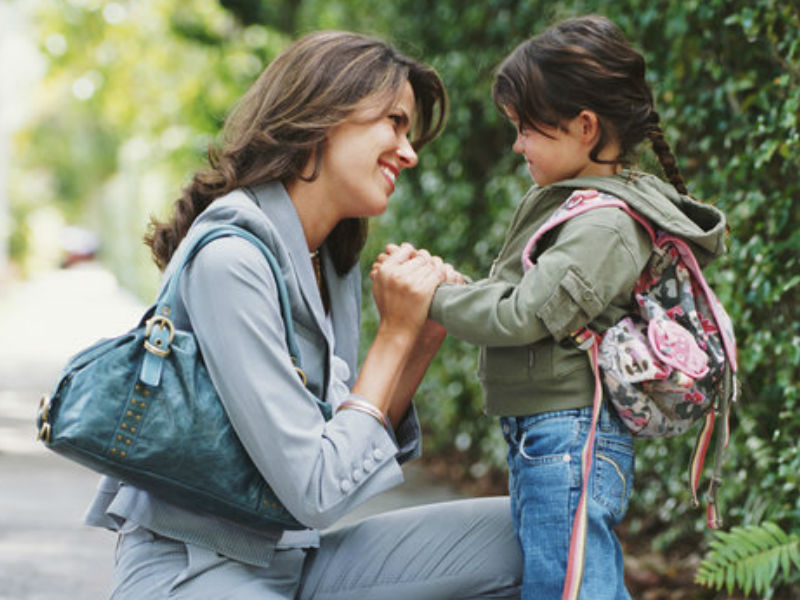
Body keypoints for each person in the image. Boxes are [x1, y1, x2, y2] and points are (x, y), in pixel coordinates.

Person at [84, 31, 522, 599]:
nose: (409, 153)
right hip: (194, 570)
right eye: (394, 122)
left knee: (534, 531)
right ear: (324, 114)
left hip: (297, 561)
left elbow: (340, 445)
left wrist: (421, 335)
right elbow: (315, 490)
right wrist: (392, 335)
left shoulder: (327, 261)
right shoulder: (230, 260)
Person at [374, 15, 730, 599]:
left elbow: (524, 315)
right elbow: (527, 301)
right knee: (566, 579)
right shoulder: (577, 205)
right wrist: (456, 293)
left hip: (570, 433)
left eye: (526, 129)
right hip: (551, 431)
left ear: (585, 126)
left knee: (568, 585)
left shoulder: (607, 224)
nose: (516, 145)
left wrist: (430, 298)